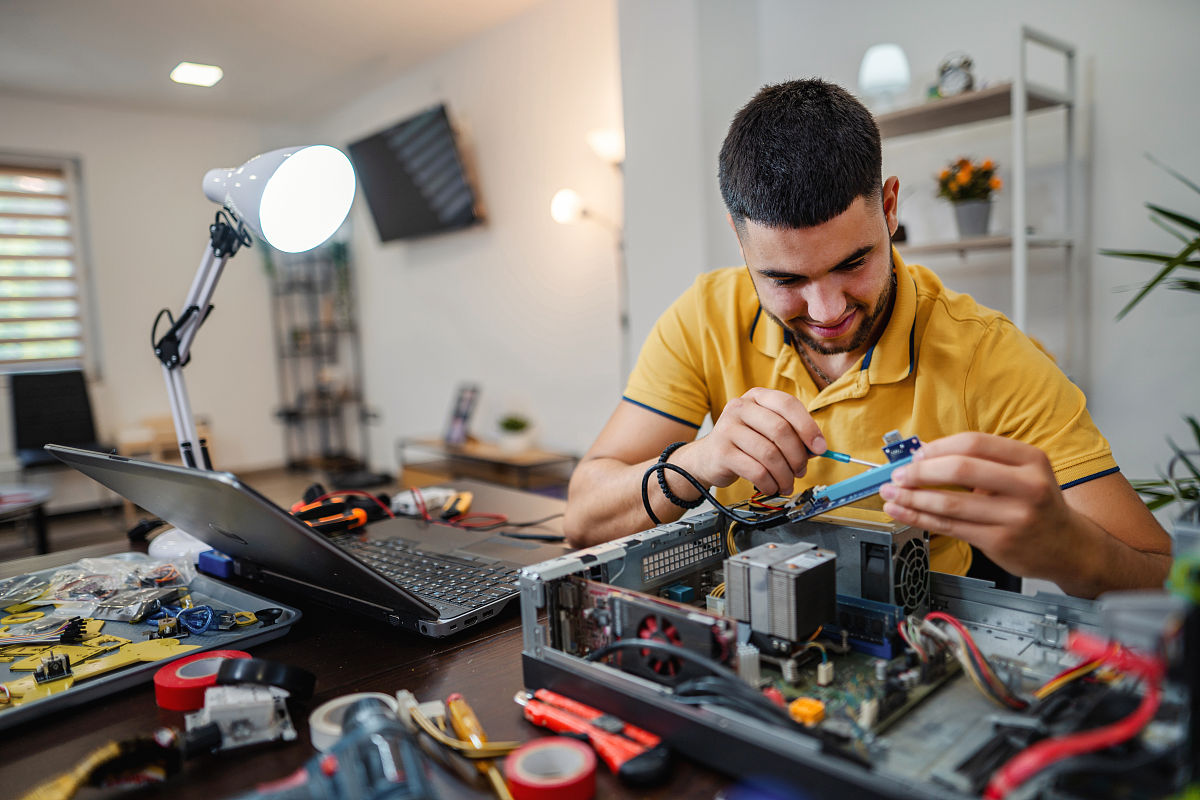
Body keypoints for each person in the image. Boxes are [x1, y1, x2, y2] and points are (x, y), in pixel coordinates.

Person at [563, 78, 1171, 599]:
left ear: (889, 207)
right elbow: (584, 519)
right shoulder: (704, 314)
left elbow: (1163, 575)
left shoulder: (986, 356)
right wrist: (698, 462)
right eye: (785, 279)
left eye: (853, 263)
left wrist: (1065, 545)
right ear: (739, 238)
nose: (827, 311)